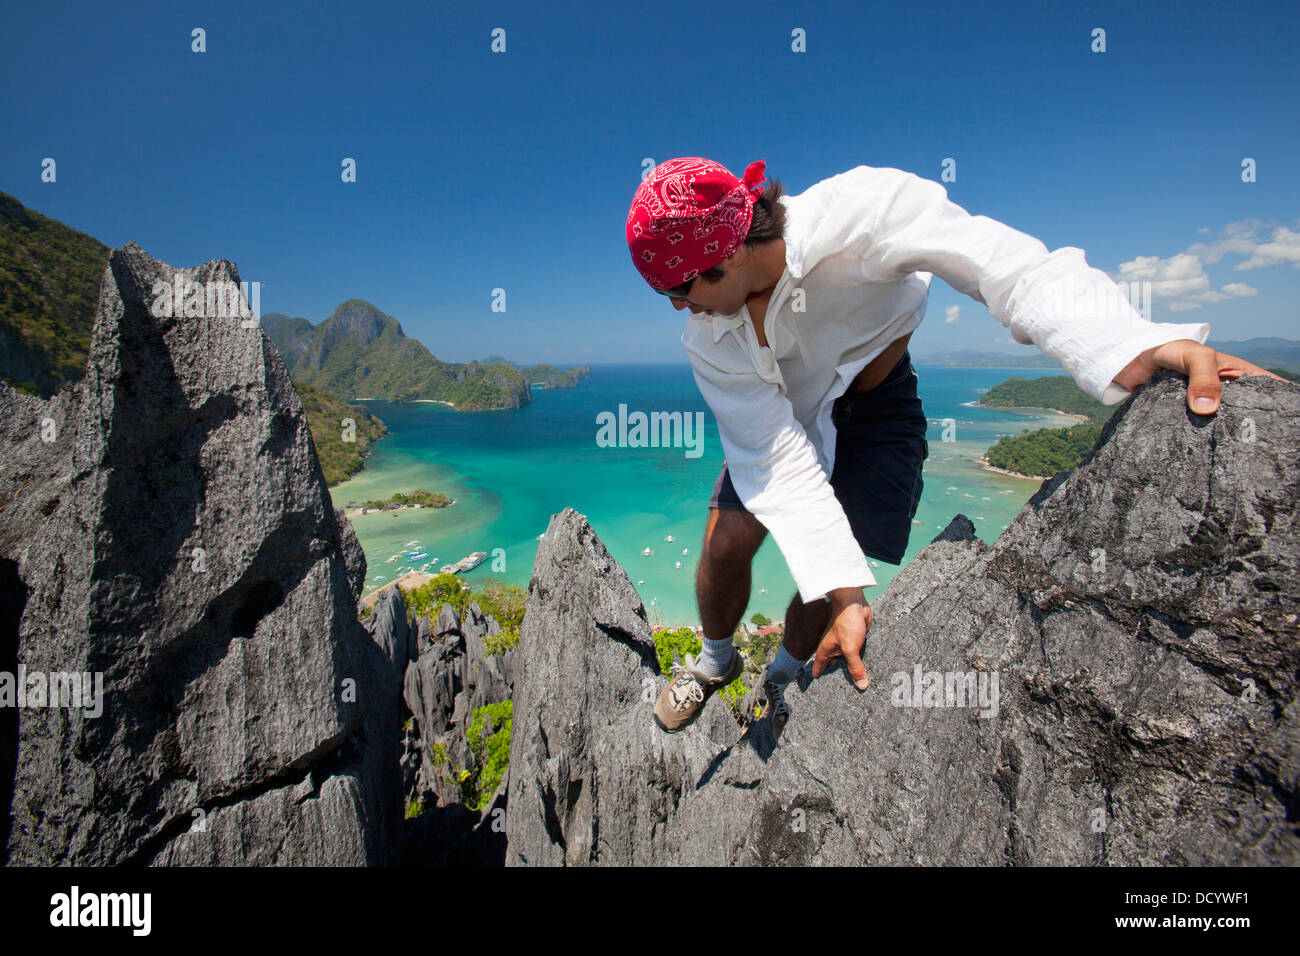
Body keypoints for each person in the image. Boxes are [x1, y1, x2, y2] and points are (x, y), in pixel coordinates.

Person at [625, 157, 1285, 736]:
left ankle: (781, 675)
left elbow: (1001, 265)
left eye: (682, 287)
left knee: (822, 584)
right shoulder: (710, 338)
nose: (680, 307)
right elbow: (776, 458)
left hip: (878, 410)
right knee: (727, 542)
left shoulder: (859, 211)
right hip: (785, 423)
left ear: (733, 252)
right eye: (664, 294)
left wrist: (1130, 341)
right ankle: (715, 662)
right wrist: (853, 596)